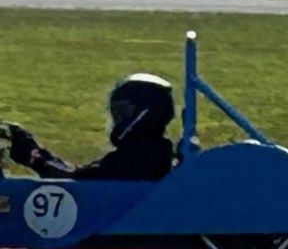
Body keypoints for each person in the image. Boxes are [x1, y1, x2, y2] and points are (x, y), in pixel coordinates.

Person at [4, 74, 178, 181]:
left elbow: (76, 180)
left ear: (145, 113)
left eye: (122, 113)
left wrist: (34, 156)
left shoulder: (141, 158)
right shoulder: (155, 152)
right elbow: (83, 173)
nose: (118, 120)